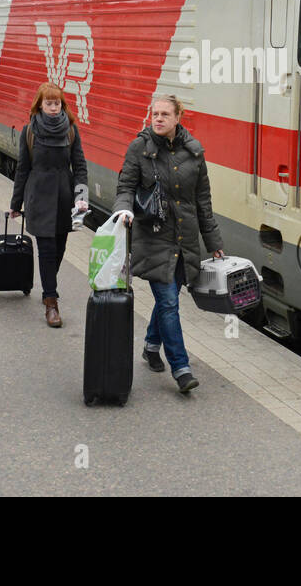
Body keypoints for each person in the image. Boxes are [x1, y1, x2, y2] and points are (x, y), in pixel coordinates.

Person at [113, 94, 224, 394]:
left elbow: (203, 201)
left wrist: (213, 241)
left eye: (165, 114)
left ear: (178, 118)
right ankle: (181, 367)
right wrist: (123, 210)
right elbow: (125, 187)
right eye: (155, 114)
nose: (158, 119)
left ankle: (151, 346)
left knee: (169, 299)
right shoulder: (140, 148)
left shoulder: (194, 152)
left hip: (183, 240)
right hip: (153, 237)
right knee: (170, 303)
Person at [8, 83, 87, 328]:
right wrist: (16, 203)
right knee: (47, 250)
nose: (53, 108)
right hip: (39, 196)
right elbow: (23, 169)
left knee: (59, 250)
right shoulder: (29, 131)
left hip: (64, 197)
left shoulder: (71, 131)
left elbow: (80, 166)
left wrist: (81, 197)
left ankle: (48, 287)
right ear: (39, 105)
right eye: (49, 103)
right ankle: (51, 302)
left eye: (57, 103)